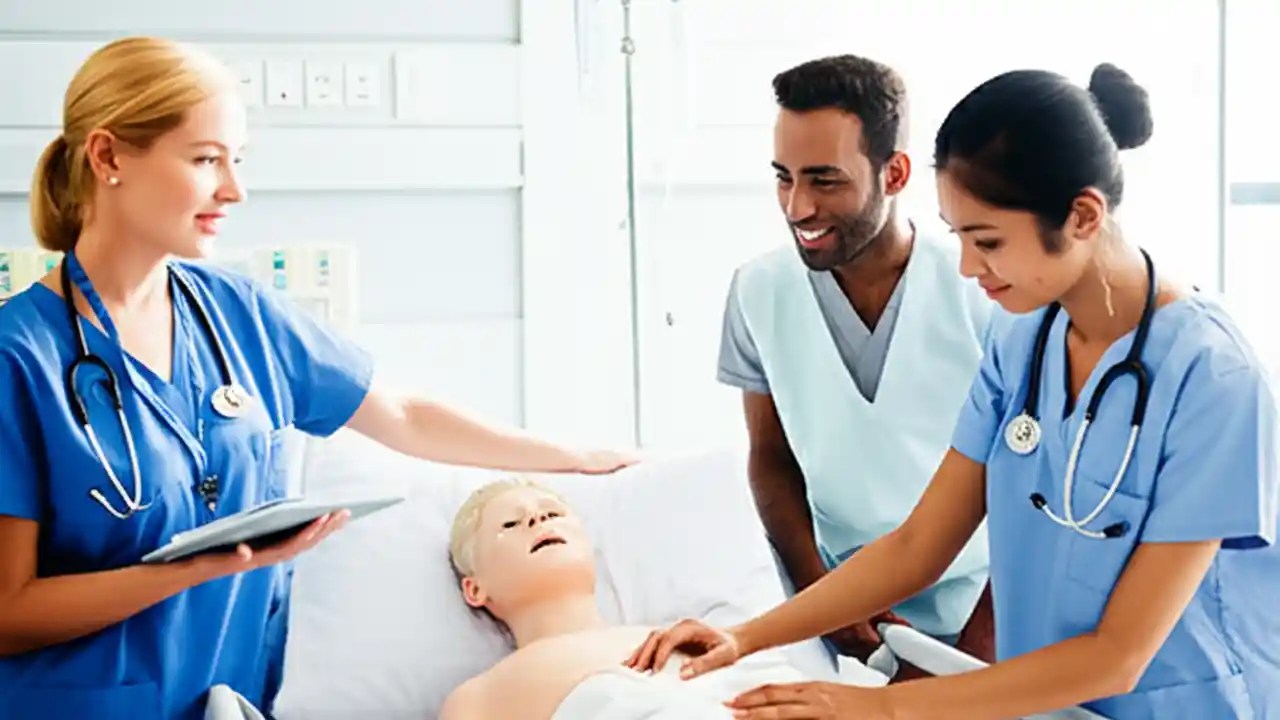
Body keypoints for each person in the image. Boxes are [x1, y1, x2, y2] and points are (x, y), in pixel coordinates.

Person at [0, 37, 634, 720]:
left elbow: (402, 415)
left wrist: (573, 458)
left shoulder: (236, 313)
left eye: (237, 160)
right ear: (107, 157)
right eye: (206, 159)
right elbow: (8, 613)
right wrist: (192, 571)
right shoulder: (18, 357)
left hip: (231, 703)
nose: (234, 189)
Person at [628, 62, 1280, 719]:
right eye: (958, 236)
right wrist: (744, 637)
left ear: (1082, 216)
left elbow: (1118, 655)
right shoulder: (1023, 341)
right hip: (1047, 704)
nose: (968, 267)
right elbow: (918, 547)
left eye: (988, 240)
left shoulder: (1212, 380)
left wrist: (873, 709)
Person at [716, 54, 994, 668]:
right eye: (784, 178)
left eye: (825, 181)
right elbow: (772, 459)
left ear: (894, 174)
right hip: (838, 612)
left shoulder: (984, 289)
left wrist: (978, 653)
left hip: (983, 604)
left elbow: (1031, 482)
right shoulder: (758, 291)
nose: (797, 207)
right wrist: (824, 600)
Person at [441, 477, 816, 720]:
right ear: (475, 589)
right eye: (510, 524)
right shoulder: (480, 697)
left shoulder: (694, 638)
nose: (539, 520)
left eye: (553, 513)